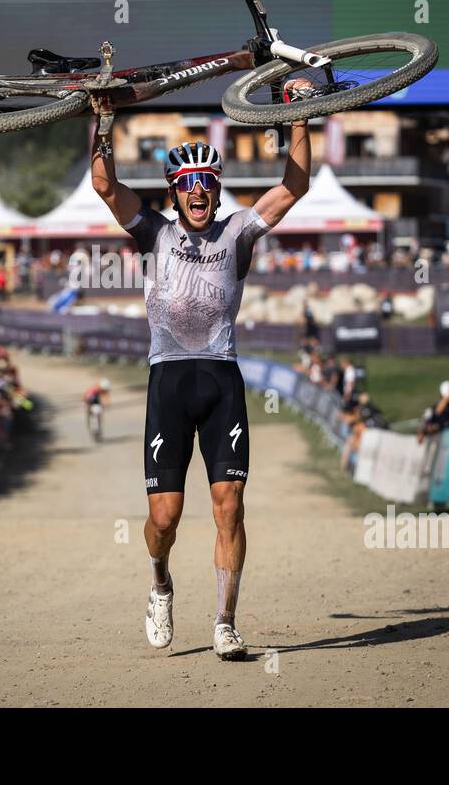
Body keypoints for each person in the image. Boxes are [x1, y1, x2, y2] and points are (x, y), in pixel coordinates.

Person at [87, 78, 315, 661]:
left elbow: (295, 185)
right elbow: (105, 185)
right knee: (164, 517)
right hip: (168, 379)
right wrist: (104, 120)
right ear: (174, 191)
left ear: (216, 190)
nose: (198, 194)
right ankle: (160, 583)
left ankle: (224, 623)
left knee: (230, 506)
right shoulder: (154, 232)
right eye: (188, 186)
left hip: (220, 378)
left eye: (206, 185)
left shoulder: (237, 232)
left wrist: (299, 115)